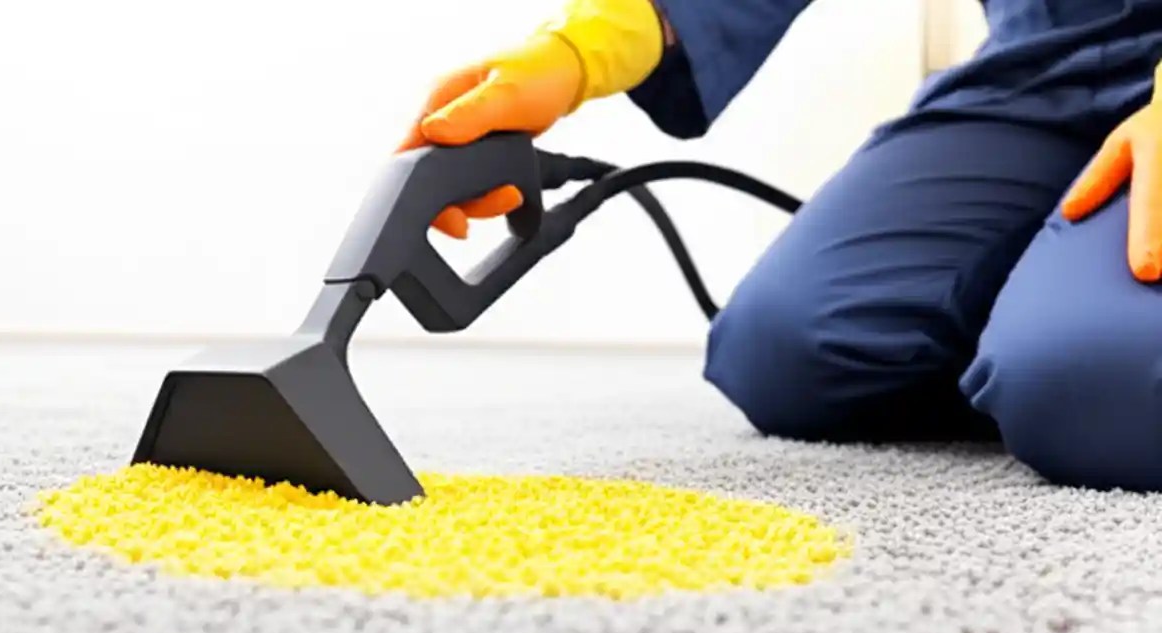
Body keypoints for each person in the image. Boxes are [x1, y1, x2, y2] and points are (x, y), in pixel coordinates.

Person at [398, 0, 1162, 490]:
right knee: (787, 353)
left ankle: (1065, 338)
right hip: (1038, 65)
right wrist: (577, 54)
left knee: (1078, 388)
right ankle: (1053, 315)